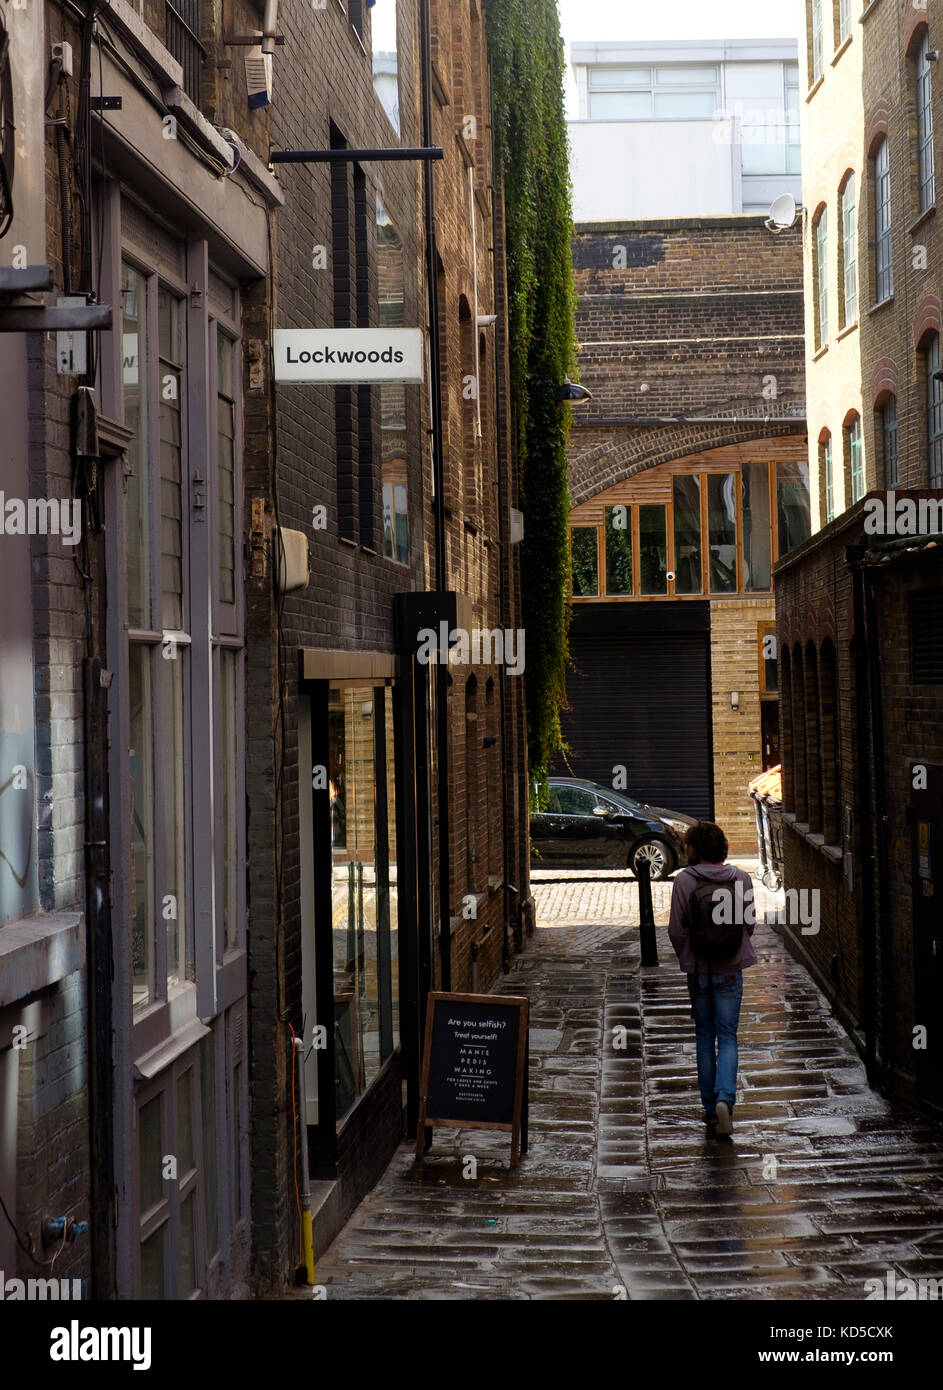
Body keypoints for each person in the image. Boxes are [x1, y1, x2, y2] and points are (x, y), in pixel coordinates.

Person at [667, 821, 757, 1136]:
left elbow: (676, 931)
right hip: (730, 970)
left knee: (705, 1036)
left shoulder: (685, 881)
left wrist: (689, 957)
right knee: (728, 1036)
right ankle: (725, 1100)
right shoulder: (742, 878)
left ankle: (709, 1109)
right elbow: (749, 925)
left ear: (695, 849)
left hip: (700, 973)